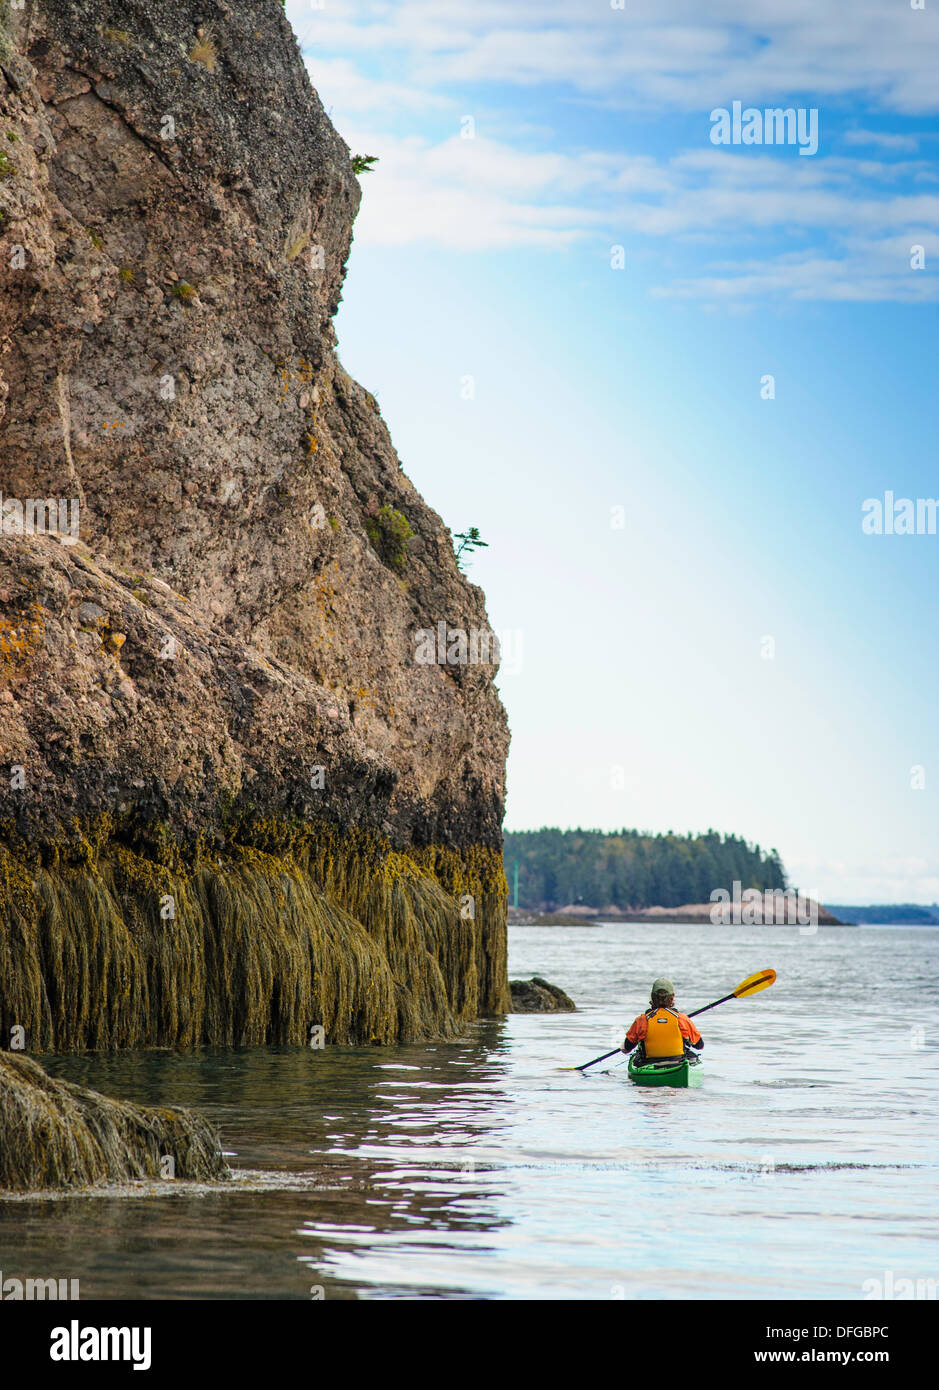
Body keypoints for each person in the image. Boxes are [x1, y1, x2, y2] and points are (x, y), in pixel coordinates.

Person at [622, 977, 703, 1061]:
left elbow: (626, 1048)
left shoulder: (642, 1020)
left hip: (649, 1062)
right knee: (691, 1056)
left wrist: (623, 1047)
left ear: (652, 997)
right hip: (676, 1061)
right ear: (672, 997)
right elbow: (699, 1045)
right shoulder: (682, 1019)